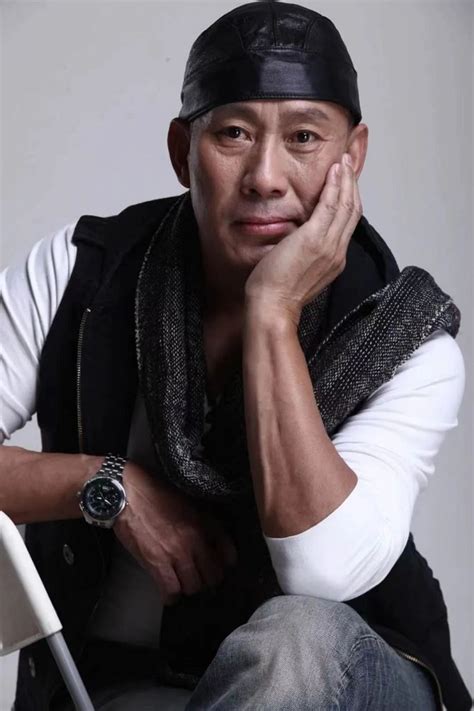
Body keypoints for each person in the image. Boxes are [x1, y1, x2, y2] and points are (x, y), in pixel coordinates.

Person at [0, 1, 472, 710]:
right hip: (112, 685)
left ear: (352, 156)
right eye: (234, 134)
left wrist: (272, 310)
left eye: (304, 137)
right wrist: (106, 485)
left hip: (346, 683)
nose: (265, 177)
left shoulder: (407, 337)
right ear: (181, 152)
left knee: (295, 641)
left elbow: (319, 569)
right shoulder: (83, 272)